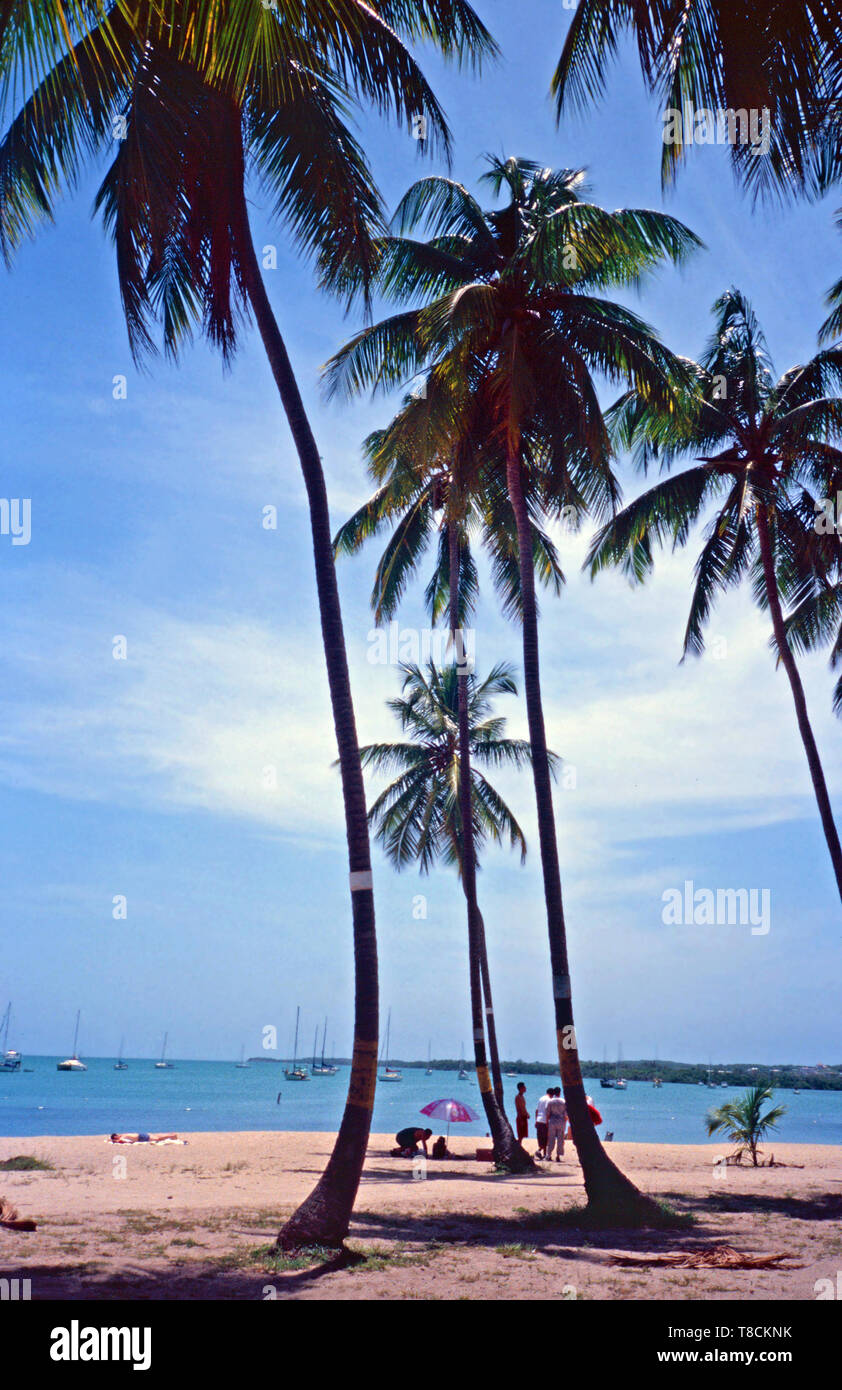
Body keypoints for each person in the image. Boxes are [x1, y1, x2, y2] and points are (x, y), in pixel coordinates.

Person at [545, 1088, 567, 1162]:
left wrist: (547, 1122)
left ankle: (549, 1155)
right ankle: (558, 1156)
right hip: (561, 1121)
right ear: (560, 1093)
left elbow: (547, 1113)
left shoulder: (550, 1101)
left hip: (552, 1121)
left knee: (551, 1139)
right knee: (560, 1139)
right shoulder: (563, 1101)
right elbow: (565, 1115)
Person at [535, 1084, 551, 1159]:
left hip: (539, 1120)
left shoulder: (541, 1098)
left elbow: (536, 1110)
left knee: (540, 1138)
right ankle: (542, 1153)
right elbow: (547, 1112)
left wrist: (536, 1120)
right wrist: (548, 1122)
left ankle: (541, 1152)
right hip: (544, 1121)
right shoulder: (549, 1100)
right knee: (545, 1138)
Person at [109, 1132, 179, 1144]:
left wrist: (115, 1141)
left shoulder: (121, 1137)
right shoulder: (122, 1135)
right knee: (157, 1136)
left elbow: (128, 1142)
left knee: (157, 1138)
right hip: (140, 1136)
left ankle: (172, 1136)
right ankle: (171, 1135)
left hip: (141, 1137)